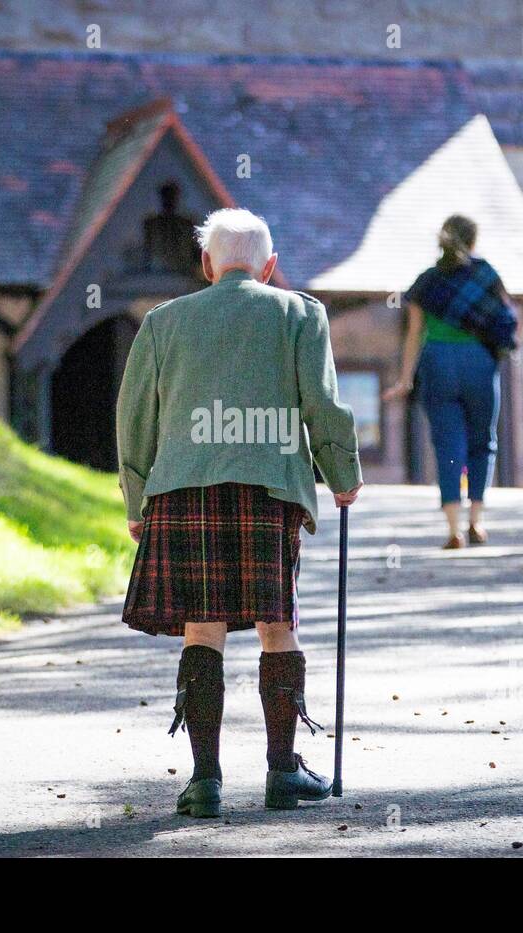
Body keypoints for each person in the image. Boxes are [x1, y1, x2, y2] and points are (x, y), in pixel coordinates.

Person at [117, 207, 363, 819]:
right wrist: (343, 476)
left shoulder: (162, 322)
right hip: (269, 489)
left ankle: (205, 782)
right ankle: (283, 774)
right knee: (277, 625)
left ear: (206, 264)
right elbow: (323, 405)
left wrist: (136, 495)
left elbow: (134, 418)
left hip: (181, 491)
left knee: (204, 628)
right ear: (270, 266)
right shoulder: (301, 313)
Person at [384, 214, 514, 548]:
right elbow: (509, 318)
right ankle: (477, 521)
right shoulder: (486, 274)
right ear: (472, 240)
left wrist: (405, 379)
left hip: (437, 362)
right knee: (482, 442)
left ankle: (453, 529)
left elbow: (414, 334)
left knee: (448, 444)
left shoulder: (427, 281)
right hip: (480, 364)